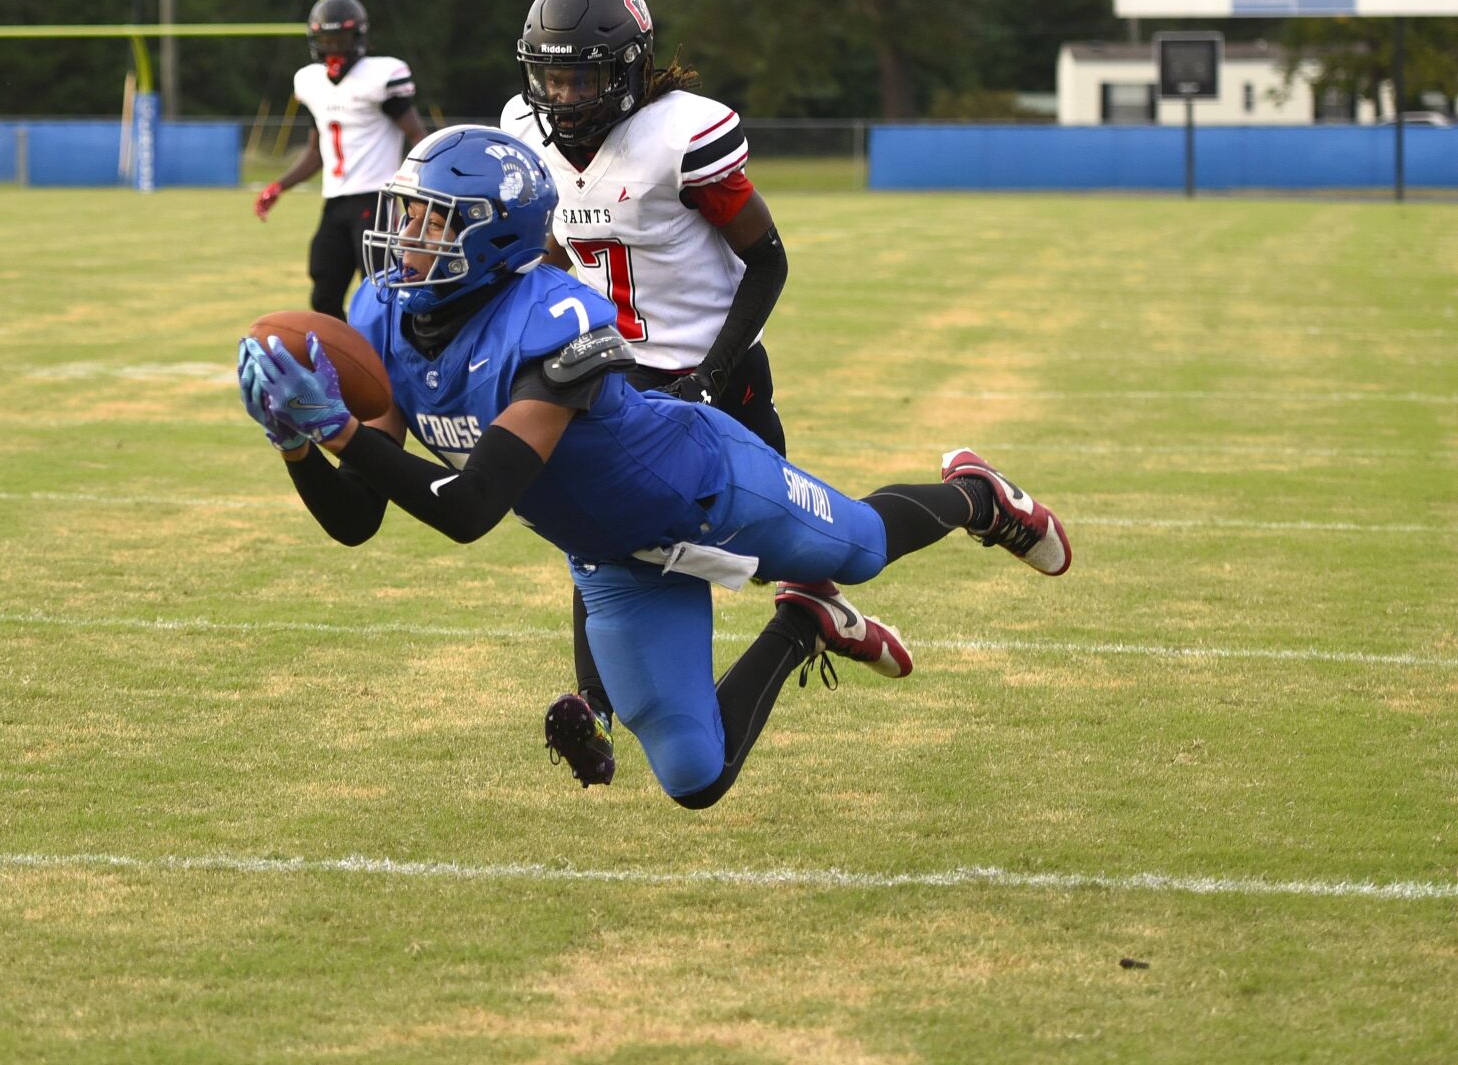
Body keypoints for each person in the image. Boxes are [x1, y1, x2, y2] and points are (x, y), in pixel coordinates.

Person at [237, 126, 1071, 811]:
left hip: (703, 487)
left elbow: (468, 507)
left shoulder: (554, 323)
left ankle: (979, 497)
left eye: (432, 221)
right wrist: (296, 443)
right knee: (693, 778)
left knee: (858, 550)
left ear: (492, 237)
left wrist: (341, 429)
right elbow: (357, 520)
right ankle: (806, 624)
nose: (406, 239)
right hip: (611, 555)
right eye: (407, 215)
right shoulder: (380, 316)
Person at [501, 0, 792, 785]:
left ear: (627, 71)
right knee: (593, 528)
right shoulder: (524, 130)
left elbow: (765, 262)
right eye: (551, 74)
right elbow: (562, 240)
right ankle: (591, 706)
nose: (563, 94)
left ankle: (818, 603)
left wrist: (708, 379)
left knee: (771, 553)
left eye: (583, 76)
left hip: (710, 376)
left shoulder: (680, 137)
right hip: (612, 375)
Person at [254, 0, 428, 320]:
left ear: (357, 37)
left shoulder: (380, 75)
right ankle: (346, 355)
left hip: (376, 199)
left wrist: (419, 187)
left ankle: (386, 360)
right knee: (323, 290)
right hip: (335, 201)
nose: (333, 48)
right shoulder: (309, 81)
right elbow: (315, 153)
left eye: (340, 39)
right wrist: (278, 186)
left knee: (380, 293)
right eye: (326, 40)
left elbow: (416, 136)